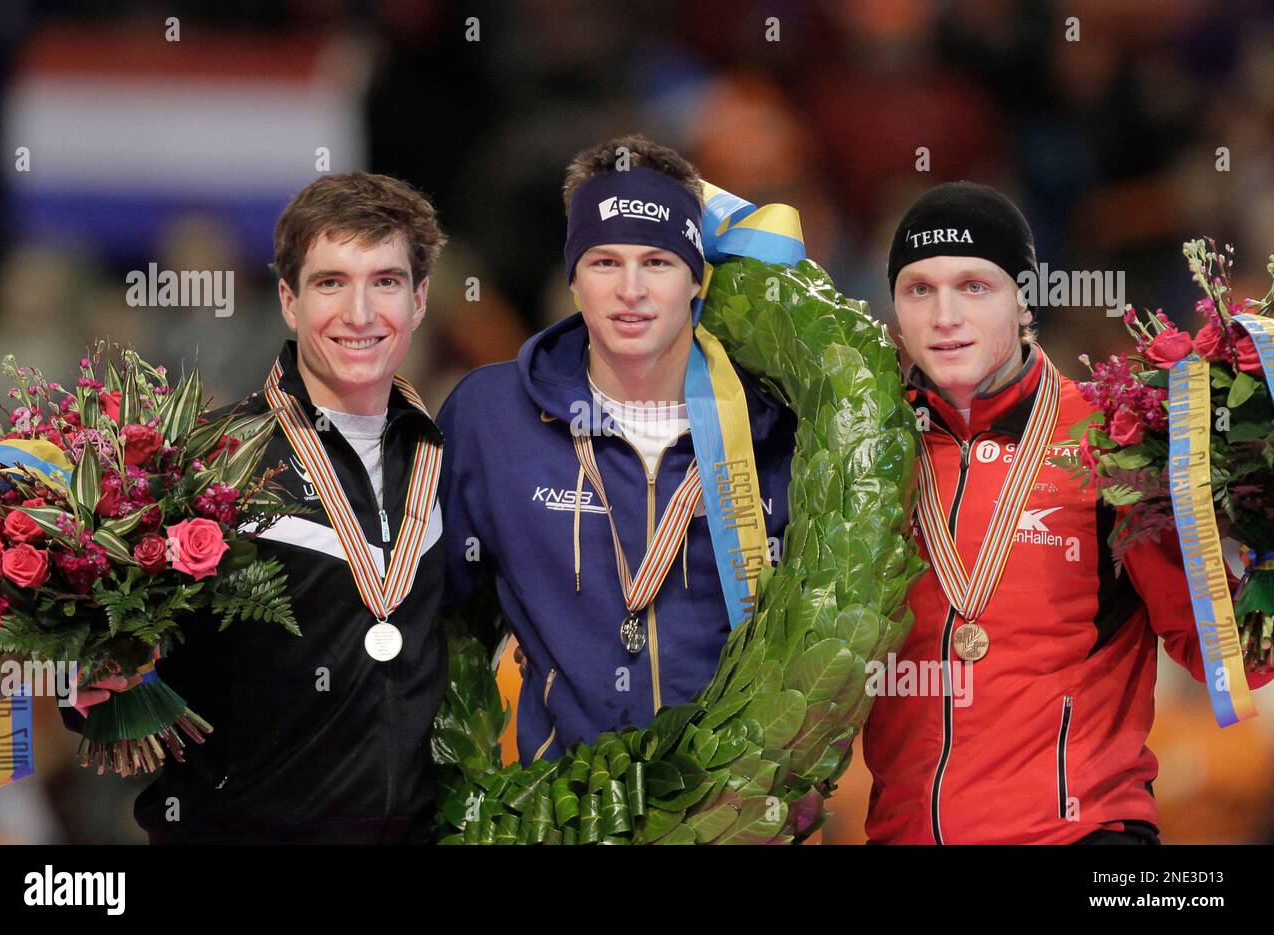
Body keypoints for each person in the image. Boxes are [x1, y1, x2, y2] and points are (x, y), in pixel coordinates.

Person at [863, 180, 1274, 844]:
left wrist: (1264, 542)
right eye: (919, 289)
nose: (944, 316)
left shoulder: (1115, 437)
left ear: (1024, 300)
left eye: (975, 286)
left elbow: (1225, 654)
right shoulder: (866, 457)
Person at [66, 171, 448, 843]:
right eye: (330, 282)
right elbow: (89, 650)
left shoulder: (447, 461)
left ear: (419, 301)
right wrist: (95, 673)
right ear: (288, 301)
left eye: (385, 282)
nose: (360, 313)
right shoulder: (202, 464)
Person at [438, 135, 796, 763]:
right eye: (604, 262)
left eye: (657, 262)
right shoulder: (491, 417)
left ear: (695, 280)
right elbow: (436, 613)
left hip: (732, 815)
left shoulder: (773, 426)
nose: (631, 289)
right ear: (573, 279)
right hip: (563, 812)